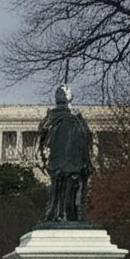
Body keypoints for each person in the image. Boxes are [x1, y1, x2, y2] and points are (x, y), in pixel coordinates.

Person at [38, 85, 93, 223]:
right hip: (70, 163)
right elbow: (87, 139)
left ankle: (64, 216)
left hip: (65, 163)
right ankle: (67, 216)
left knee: (64, 193)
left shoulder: (52, 118)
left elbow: (43, 137)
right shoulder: (75, 119)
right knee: (69, 194)